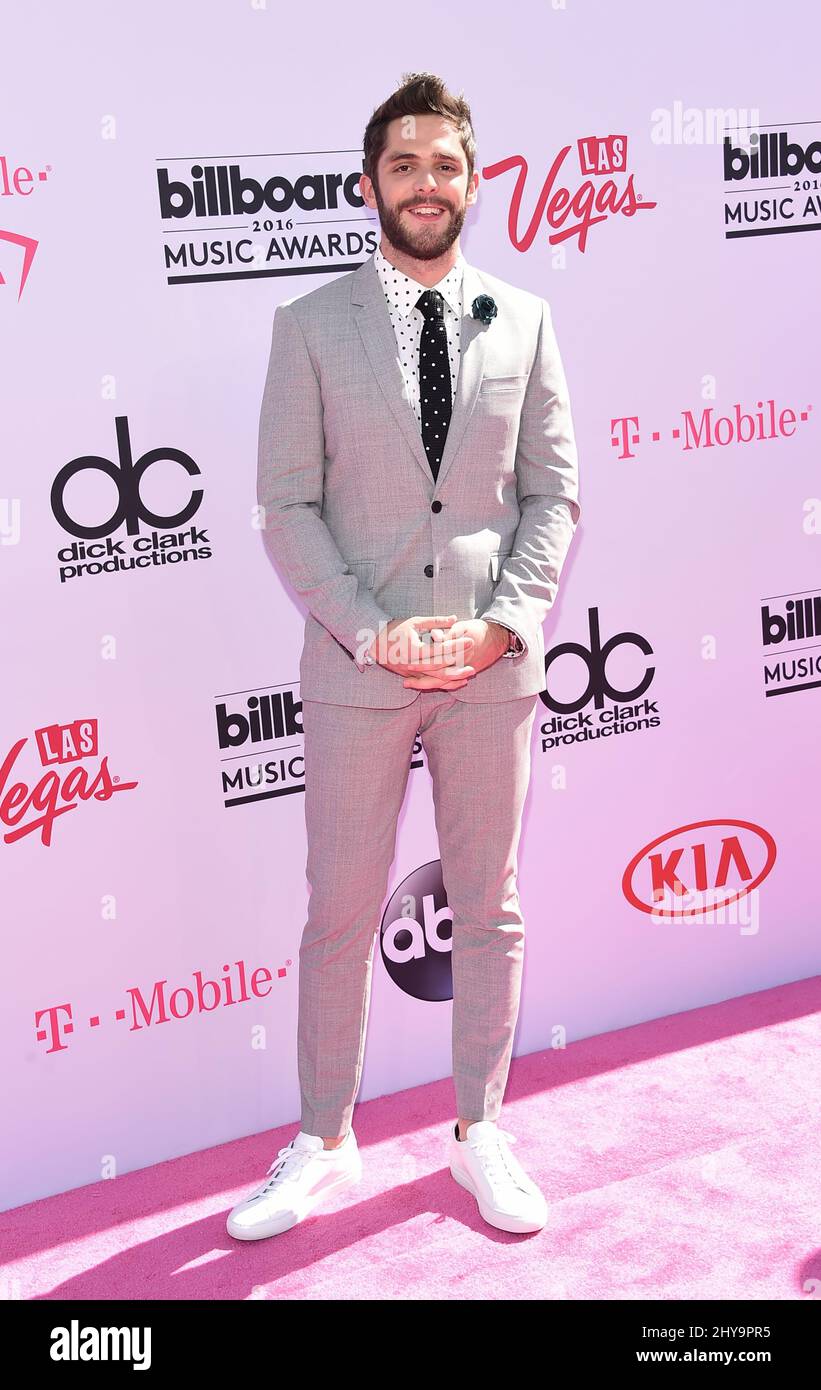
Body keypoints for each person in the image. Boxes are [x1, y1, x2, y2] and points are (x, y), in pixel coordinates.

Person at [227, 71, 580, 1241]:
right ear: (367, 183)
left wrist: (501, 623)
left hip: (489, 668)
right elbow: (285, 505)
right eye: (404, 164)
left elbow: (551, 494)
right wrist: (369, 626)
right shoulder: (308, 326)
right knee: (338, 910)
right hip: (357, 666)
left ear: (472, 185)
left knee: (489, 908)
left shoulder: (523, 318)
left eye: (445, 164)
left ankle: (481, 1131)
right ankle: (324, 1139)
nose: (425, 183)